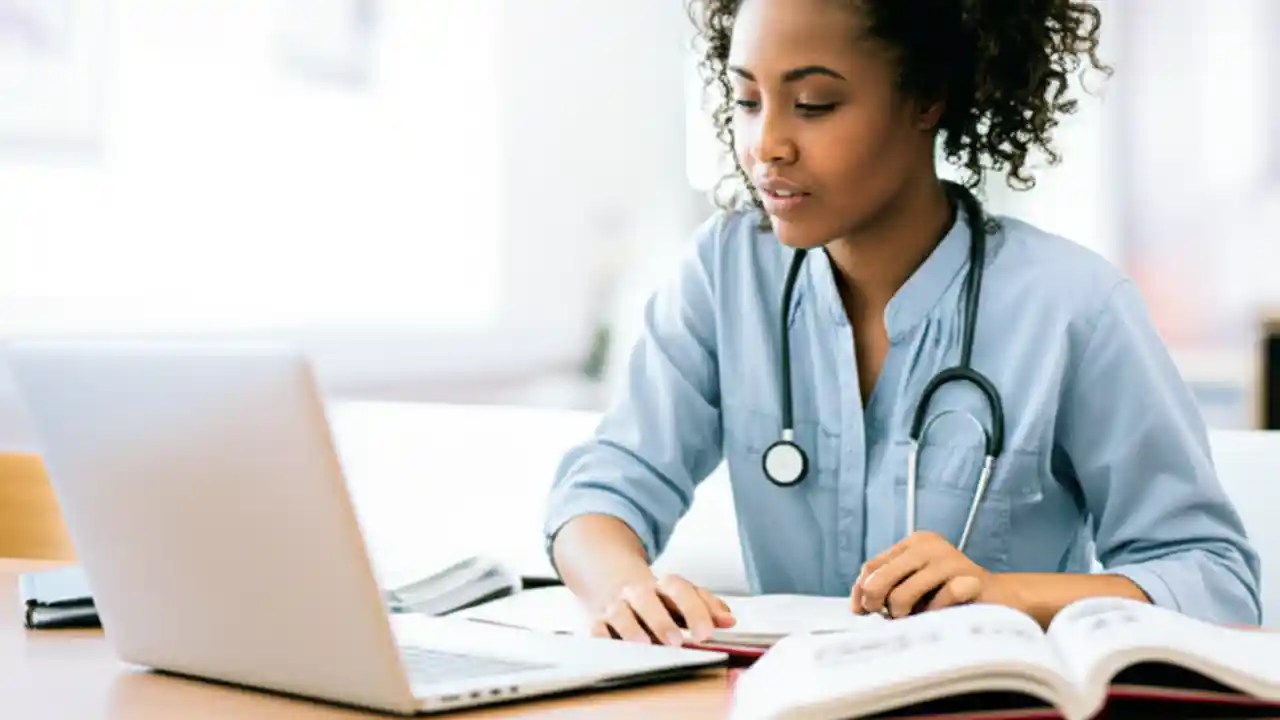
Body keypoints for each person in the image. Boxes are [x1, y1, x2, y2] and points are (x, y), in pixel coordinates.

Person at [543, 0, 1262, 647]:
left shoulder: (1074, 307)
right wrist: (625, 589)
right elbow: (599, 495)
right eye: (747, 100)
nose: (767, 144)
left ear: (926, 96)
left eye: (814, 104)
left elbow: (1215, 581)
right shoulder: (725, 274)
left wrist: (1007, 596)